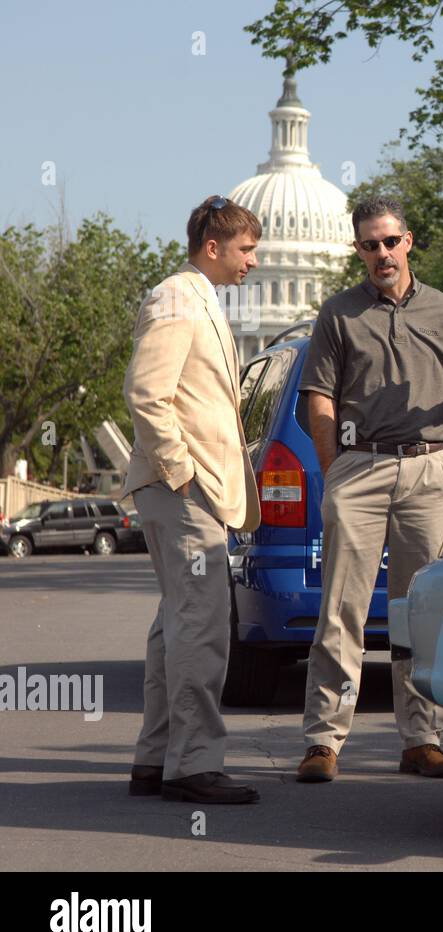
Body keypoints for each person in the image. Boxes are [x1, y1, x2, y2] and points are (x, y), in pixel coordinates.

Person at [296, 196, 443, 783]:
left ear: (409, 241)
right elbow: (320, 398)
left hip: (428, 469)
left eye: (390, 241)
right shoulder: (337, 314)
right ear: (358, 250)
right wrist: (334, 469)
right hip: (360, 468)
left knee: (419, 612)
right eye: (369, 244)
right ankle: (323, 742)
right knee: (341, 610)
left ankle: (422, 740)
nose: (381, 253)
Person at [122, 195, 262, 804]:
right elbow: (146, 393)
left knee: (174, 626)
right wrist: (184, 475)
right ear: (213, 247)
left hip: (185, 489)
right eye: (246, 249)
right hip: (184, 490)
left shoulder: (196, 297)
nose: (253, 262)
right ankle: (193, 765)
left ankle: (156, 759)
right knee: (201, 626)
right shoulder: (178, 297)